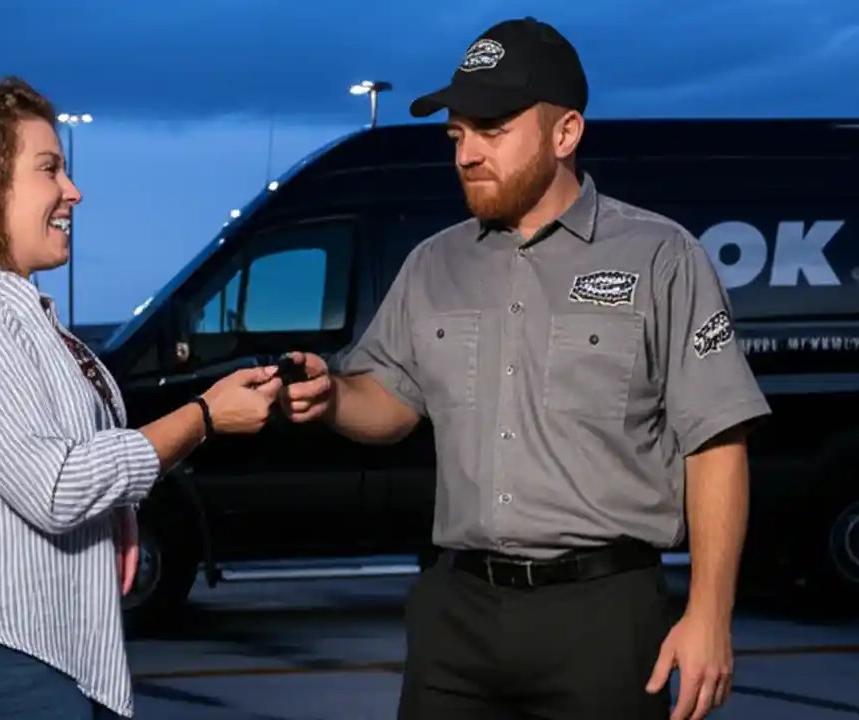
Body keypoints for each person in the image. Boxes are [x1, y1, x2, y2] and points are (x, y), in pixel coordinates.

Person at [280, 16, 771, 720]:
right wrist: (331, 397)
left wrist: (710, 615)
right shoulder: (433, 264)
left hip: (602, 616)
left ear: (565, 133)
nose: (467, 155)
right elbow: (390, 404)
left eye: (493, 130)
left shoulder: (661, 257)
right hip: (459, 615)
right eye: (457, 136)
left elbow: (718, 442)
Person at [0, 77, 283, 720]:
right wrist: (203, 417)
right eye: (49, 169)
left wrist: (118, 517)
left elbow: (55, 460)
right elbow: (57, 487)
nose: (73, 191)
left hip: (47, 649)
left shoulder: (13, 313)